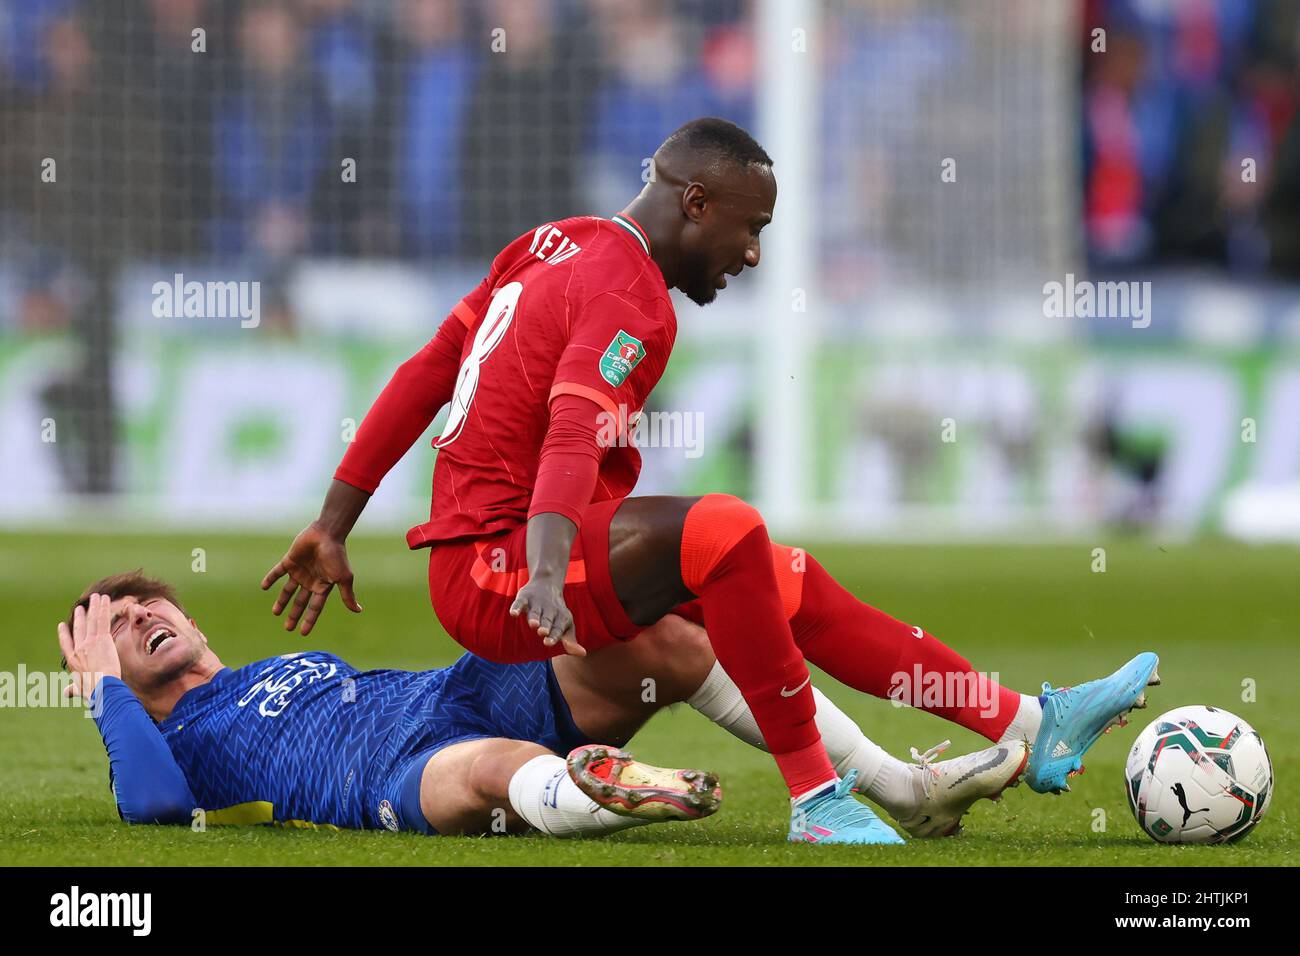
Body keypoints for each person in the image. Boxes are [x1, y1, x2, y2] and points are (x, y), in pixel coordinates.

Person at [264, 117, 1160, 843]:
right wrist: (541, 569)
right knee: (723, 530)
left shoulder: (550, 245)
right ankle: (816, 803)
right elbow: (573, 428)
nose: (754, 256)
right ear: (696, 202)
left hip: (525, 551)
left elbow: (431, 365)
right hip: (499, 571)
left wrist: (335, 521)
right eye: (751, 229)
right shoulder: (630, 298)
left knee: (778, 577)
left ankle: (1025, 729)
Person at [60, 571, 1025, 839]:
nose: (142, 618)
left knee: (668, 643)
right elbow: (146, 809)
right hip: (385, 777)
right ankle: (596, 789)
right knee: (486, 772)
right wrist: (104, 689)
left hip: (456, 687)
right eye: (119, 625)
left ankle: (903, 790)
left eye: (149, 604)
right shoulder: (176, 745)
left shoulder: (270, 665)